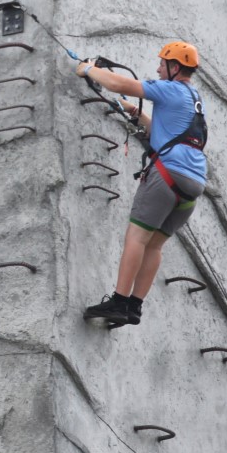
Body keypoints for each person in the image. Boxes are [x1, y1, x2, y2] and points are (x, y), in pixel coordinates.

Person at [75, 41, 208, 328]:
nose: (158, 68)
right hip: (193, 184)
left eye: (162, 64)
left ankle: (119, 301)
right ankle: (134, 306)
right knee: (154, 245)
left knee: (136, 237)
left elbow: (117, 82)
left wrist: (87, 68)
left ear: (175, 68)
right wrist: (134, 112)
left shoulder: (170, 88)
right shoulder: (193, 96)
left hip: (167, 175)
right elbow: (170, 132)